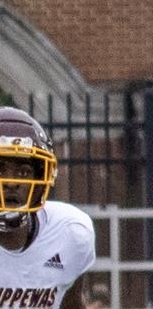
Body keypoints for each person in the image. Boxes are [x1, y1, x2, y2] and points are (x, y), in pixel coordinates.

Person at [0, 107, 97, 309]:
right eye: (0, 170)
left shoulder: (71, 232)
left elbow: (71, 303)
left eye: (24, 172)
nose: (11, 182)